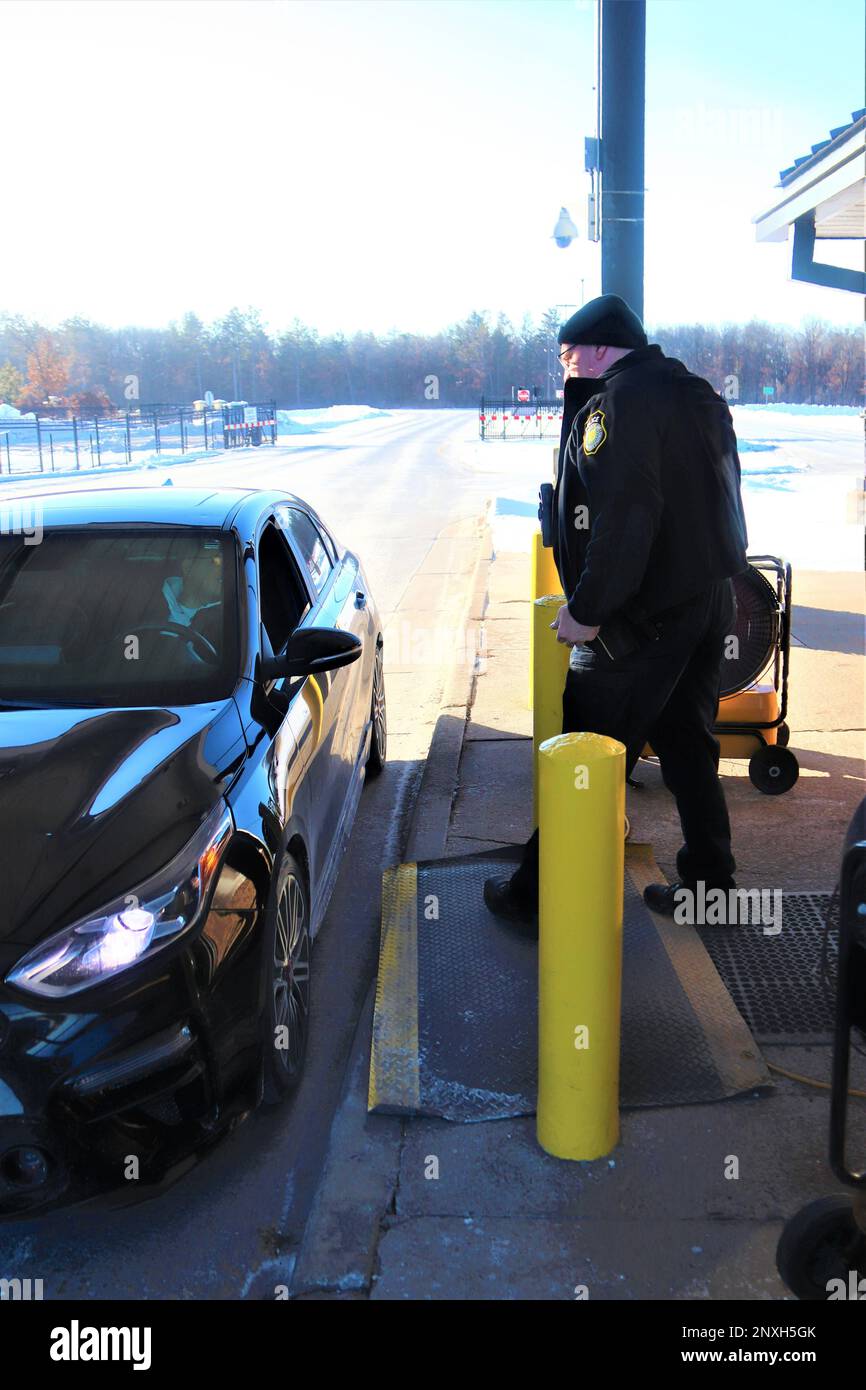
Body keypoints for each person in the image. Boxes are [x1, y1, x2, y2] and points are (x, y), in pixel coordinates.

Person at [483, 293, 750, 935]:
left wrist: (589, 610)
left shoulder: (619, 403)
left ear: (602, 348)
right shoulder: (693, 390)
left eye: (569, 354)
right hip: (708, 597)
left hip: (643, 613)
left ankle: (540, 899)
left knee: (588, 747)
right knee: (688, 744)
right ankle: (711, 888)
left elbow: (628, 517)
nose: (566, 366)